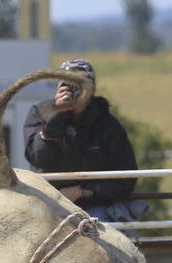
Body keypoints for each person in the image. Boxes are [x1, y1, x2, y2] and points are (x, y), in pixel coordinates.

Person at [23, 57, 147, 227]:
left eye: (80, 85)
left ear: (91, 90)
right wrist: (56, 116)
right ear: (59, 87)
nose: (74, 91)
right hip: (49, 203)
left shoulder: (106, 123)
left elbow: (126, 180)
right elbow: (37, 157)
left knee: (98, 229)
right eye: (68, 85)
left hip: (95, 206)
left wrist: (81, 192)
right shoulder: (41, 113)